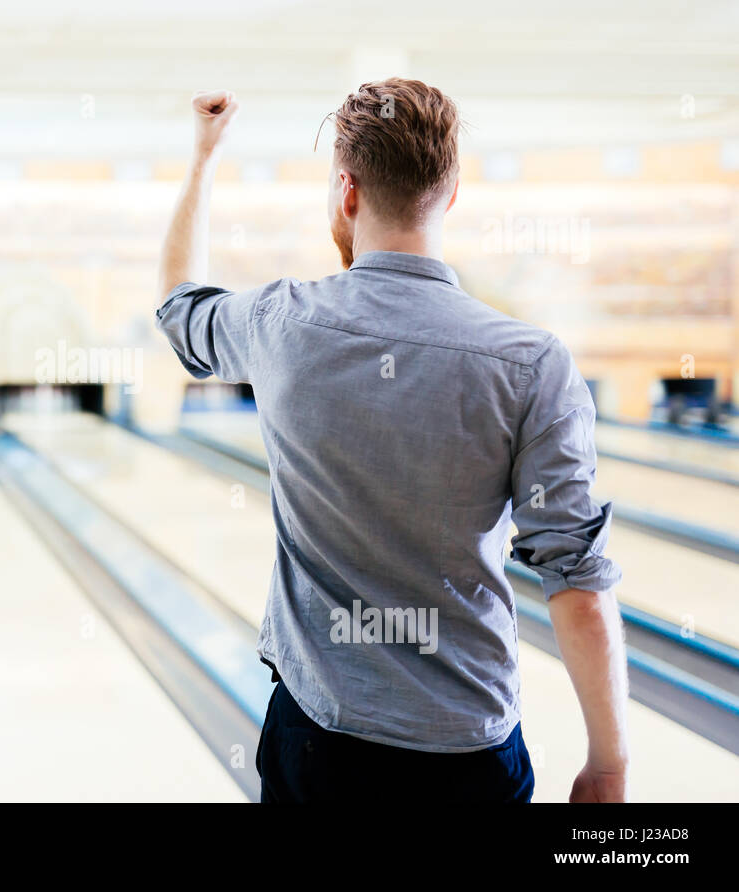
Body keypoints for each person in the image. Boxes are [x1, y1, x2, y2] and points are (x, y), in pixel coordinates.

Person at [155, 80, 628, 803]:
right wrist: (608, 763)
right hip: (468, 755)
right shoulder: (534, 363)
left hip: (318, 744)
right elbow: (577, 581)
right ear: (453, 194)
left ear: (346, 192)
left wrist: (203, 159)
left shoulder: (284, 326)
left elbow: (179, 305)